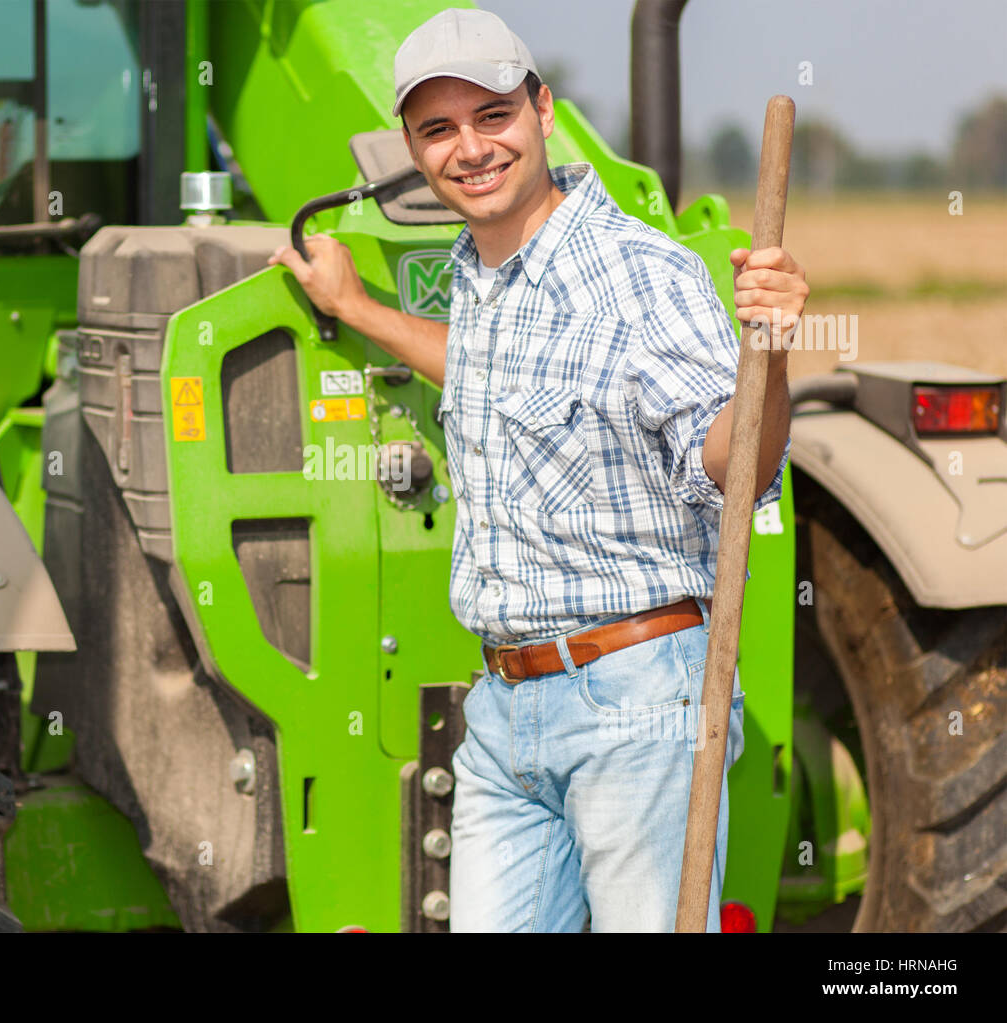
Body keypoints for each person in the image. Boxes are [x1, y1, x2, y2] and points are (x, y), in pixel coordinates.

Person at [268, 7, 809, 932]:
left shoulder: (643, 273)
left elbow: (735, 468)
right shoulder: (478, 273)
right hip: (505, 716)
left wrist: (772, 355)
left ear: (543, 111)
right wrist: (357, 308)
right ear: (410, 146)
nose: (470, 148)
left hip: (636, 708)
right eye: (438, 129)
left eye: (492, 116)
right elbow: (493, 371)